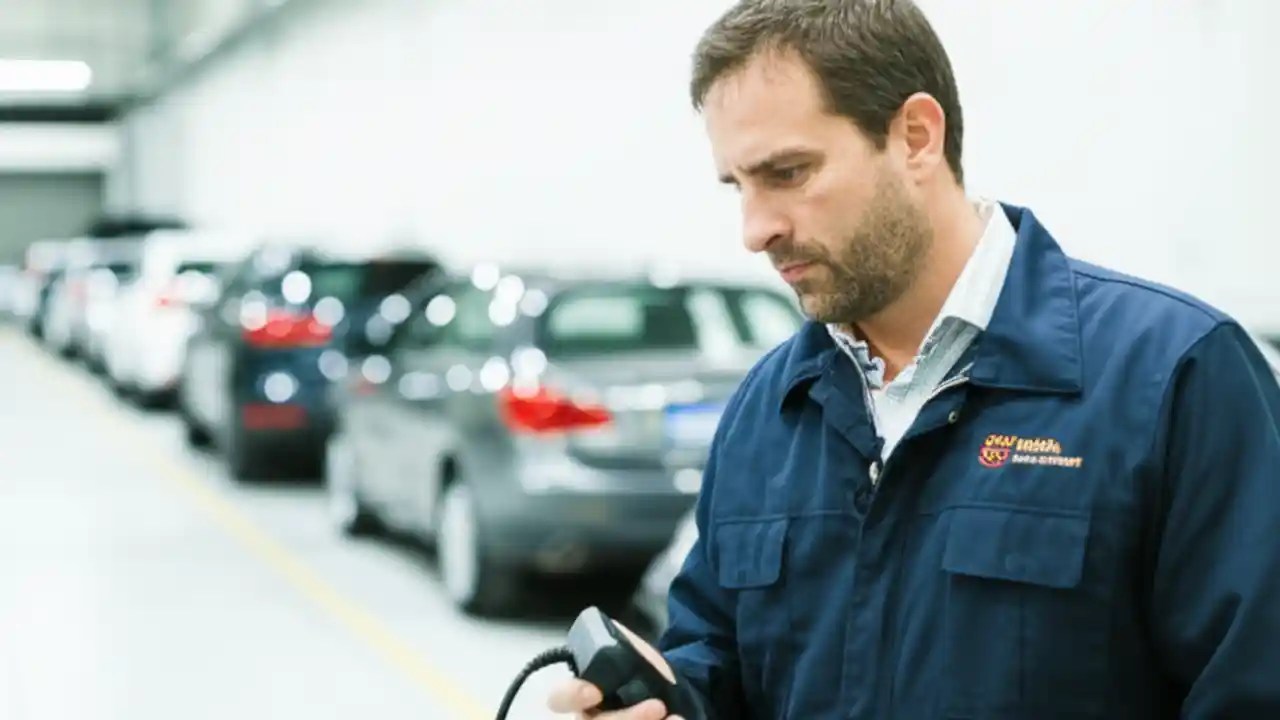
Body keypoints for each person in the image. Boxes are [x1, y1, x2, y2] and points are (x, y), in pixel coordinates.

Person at [548, 0, 1280, 717]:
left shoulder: (1176, 378)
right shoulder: (767, 409)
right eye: (738, 186)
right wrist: (676, 696)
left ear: (916, 137)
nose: (755, 229)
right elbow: (720, 654)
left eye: (789, 173)